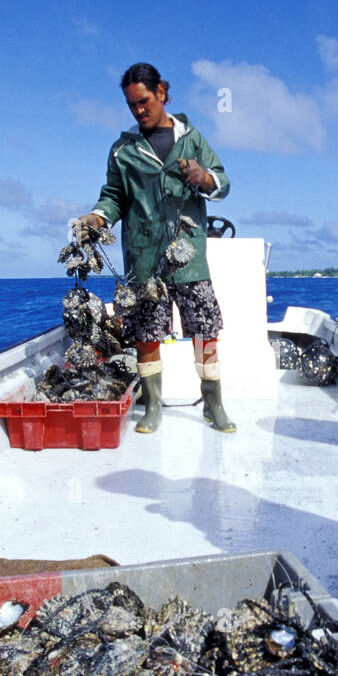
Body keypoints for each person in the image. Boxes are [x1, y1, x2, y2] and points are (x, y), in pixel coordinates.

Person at [75, 63, 233, 434]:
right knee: (146, 335)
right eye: (132, 105)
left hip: (189, 260)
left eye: (144, 101)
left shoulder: (192, 138)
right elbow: (112, 197)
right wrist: (96, 219)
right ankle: (153, 406)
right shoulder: (122, 150)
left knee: (205, 331)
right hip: (144, 262)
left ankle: (214, 406)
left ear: (162, 91)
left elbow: (223, 183)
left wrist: (203, 176)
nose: (139, 110)